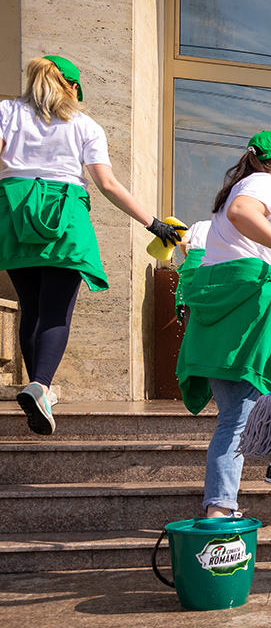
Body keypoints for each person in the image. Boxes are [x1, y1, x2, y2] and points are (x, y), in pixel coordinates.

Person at [0, 55, 182, 435]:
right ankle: (41, 387)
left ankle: (40, 390)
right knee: (55, 313)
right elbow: (108, 184)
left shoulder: (7, 112)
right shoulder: (83, 125)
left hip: (14, 213)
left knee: (30, 308)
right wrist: (153, 224)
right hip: (66, 215)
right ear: (73, 87)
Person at [174, 131, 271, 517]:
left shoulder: (227, 194)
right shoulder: (265, 182)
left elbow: (229, 224)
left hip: (219, 318)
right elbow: (242, 212)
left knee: (232, 420)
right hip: (255, 310)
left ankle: (220, 510)